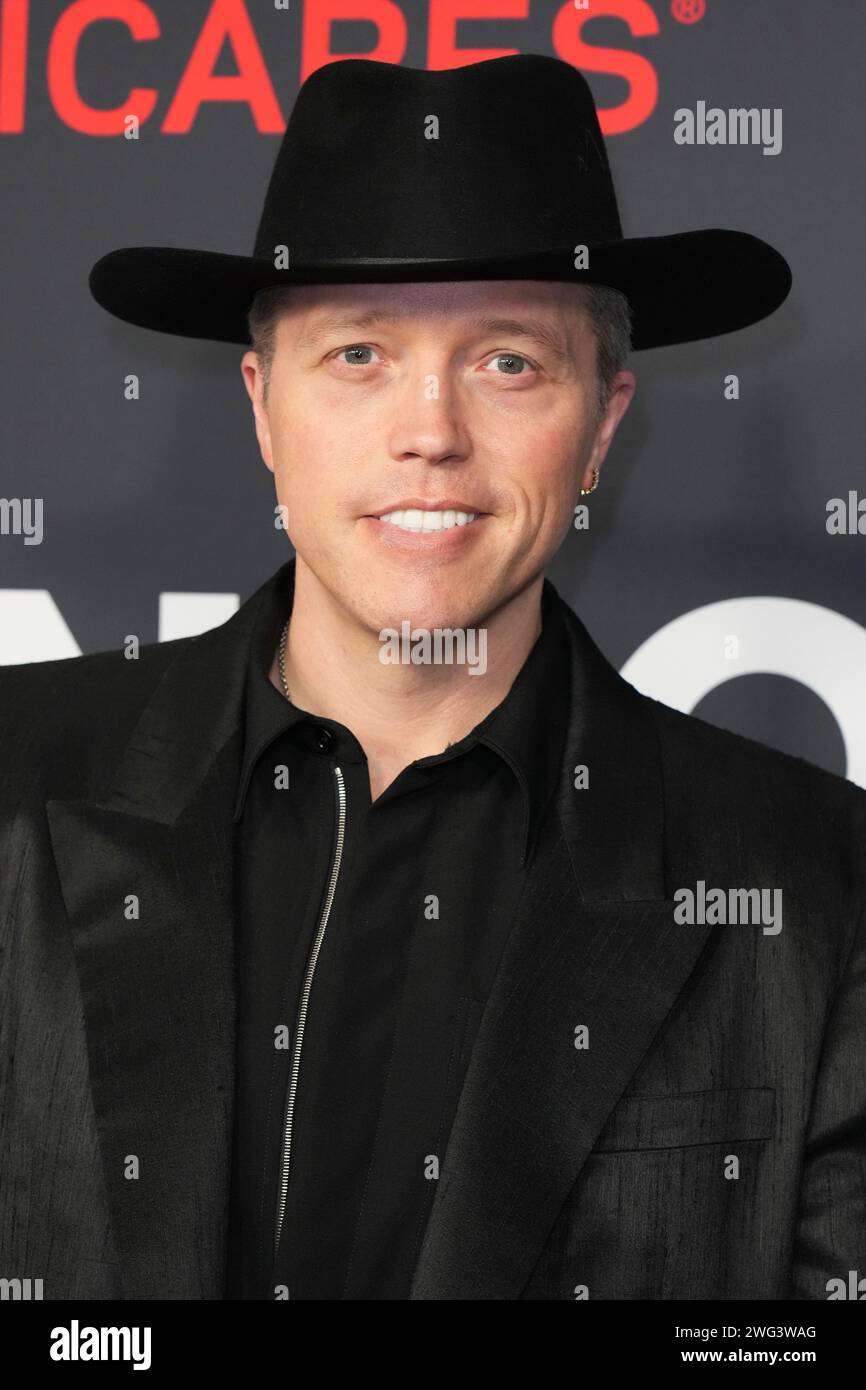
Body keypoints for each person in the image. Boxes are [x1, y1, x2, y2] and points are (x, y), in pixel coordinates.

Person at [1, 53, 863, 1302]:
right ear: (261, 408)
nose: (430, 430)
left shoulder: (815, 886)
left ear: (603, 423)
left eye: (507, 361)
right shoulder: (16, 782)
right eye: (356, 354)